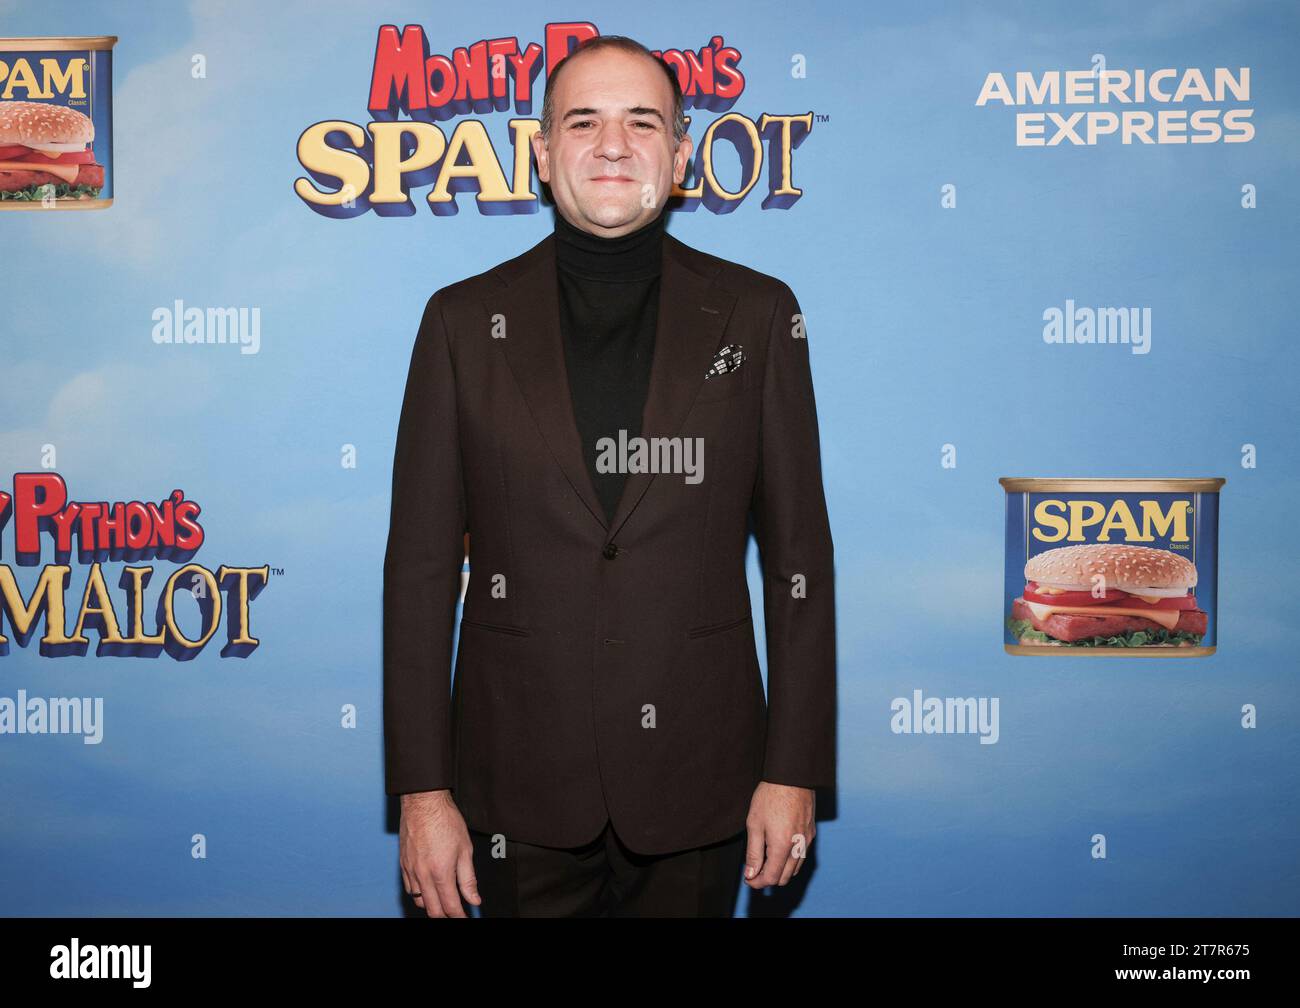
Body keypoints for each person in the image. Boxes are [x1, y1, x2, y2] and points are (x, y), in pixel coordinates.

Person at [383, 35, 835, 917]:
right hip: (513, 791)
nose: (613, 144)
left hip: (702, 782)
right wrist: (422, 792)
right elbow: (421, 573)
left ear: (681, 154)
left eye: (643, 121)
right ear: (544, 154)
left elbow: (799, 563)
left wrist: (794, 770)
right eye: (583, 121)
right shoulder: (462, 323)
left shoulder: (758, 313)